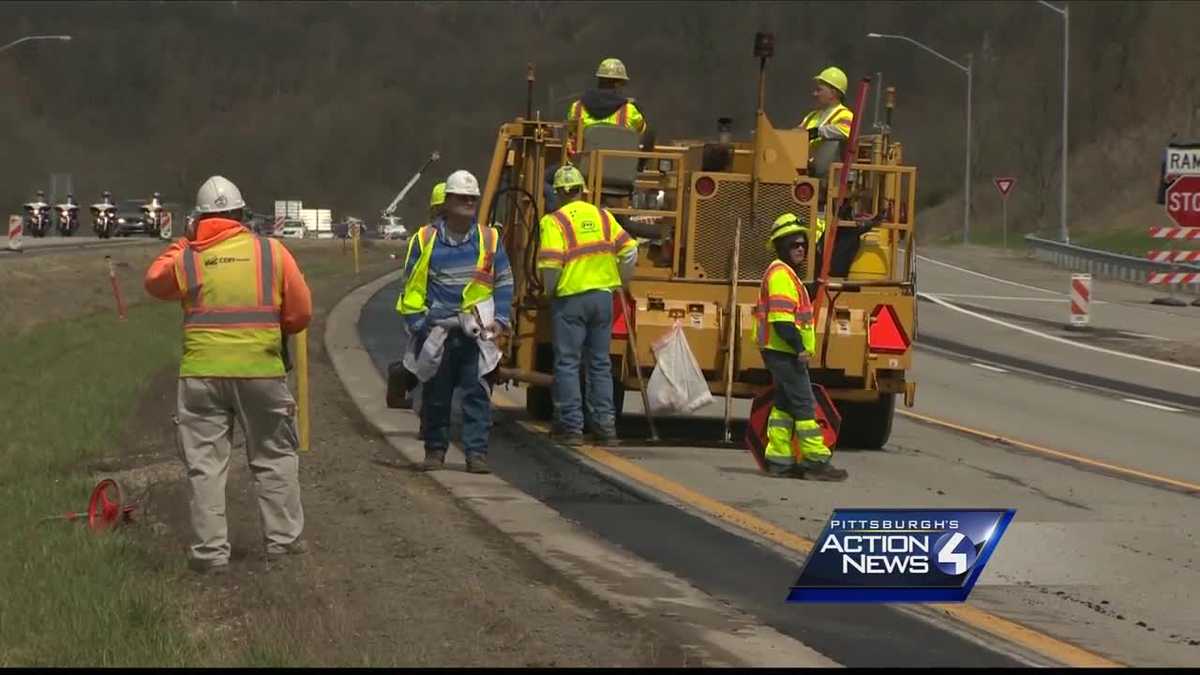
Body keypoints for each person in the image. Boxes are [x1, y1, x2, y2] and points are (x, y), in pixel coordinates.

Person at [143, 175, 312, 574]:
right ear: (241, 214)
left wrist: (186, 241)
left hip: (202, 376)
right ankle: (284, 545)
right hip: (262, 373)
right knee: (274, 458)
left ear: (199, 218)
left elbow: (154, 281)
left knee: (205, 466)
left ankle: (210, 554)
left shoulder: (189, 258)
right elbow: (300, 315)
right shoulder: (273, 253)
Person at [397, 170, 512, 474]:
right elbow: (410, 284)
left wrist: (500, 320)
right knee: (436, 395)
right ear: (446, 202)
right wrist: (418, 323)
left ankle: (476, 454)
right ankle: (435, 451)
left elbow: (503, 281)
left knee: (477, 395)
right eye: (461, 198)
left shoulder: (489, 239)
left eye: (472, 199)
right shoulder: (425, 240)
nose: (468, 203)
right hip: (438, 331)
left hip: (478, 333)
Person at [537, 165, 637, 446]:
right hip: (603, 298)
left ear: (558, 193)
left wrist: (550, 291)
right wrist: (620, 280)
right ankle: (605, 428)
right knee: (599, 364)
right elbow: (630, 249)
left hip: (571, 299)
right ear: (583, 189)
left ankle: (571, 428)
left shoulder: (554, 221)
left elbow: (551, 263)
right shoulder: (603, 216)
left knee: (568, 363)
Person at [752, 213, 848, 481]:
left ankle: (779, 460)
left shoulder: (786, 275)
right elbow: (782, 322)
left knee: (783, 407)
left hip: (779, 351)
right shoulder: (781, 276)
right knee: (805, 406)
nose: (800, 249)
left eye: (803, 244)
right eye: (794, 245)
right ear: (781, 247)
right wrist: (799, 348)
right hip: (784, 352)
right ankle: (815, 461)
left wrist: (811, 288)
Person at [799, 66, 854, 179]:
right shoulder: (812, 116)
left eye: (819, 90)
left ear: (832, 93)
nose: (815, 93)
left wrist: (815, 132)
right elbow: (796, 135)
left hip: (826, 177)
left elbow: (844, 132)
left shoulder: (845, 114)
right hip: (802, 170)